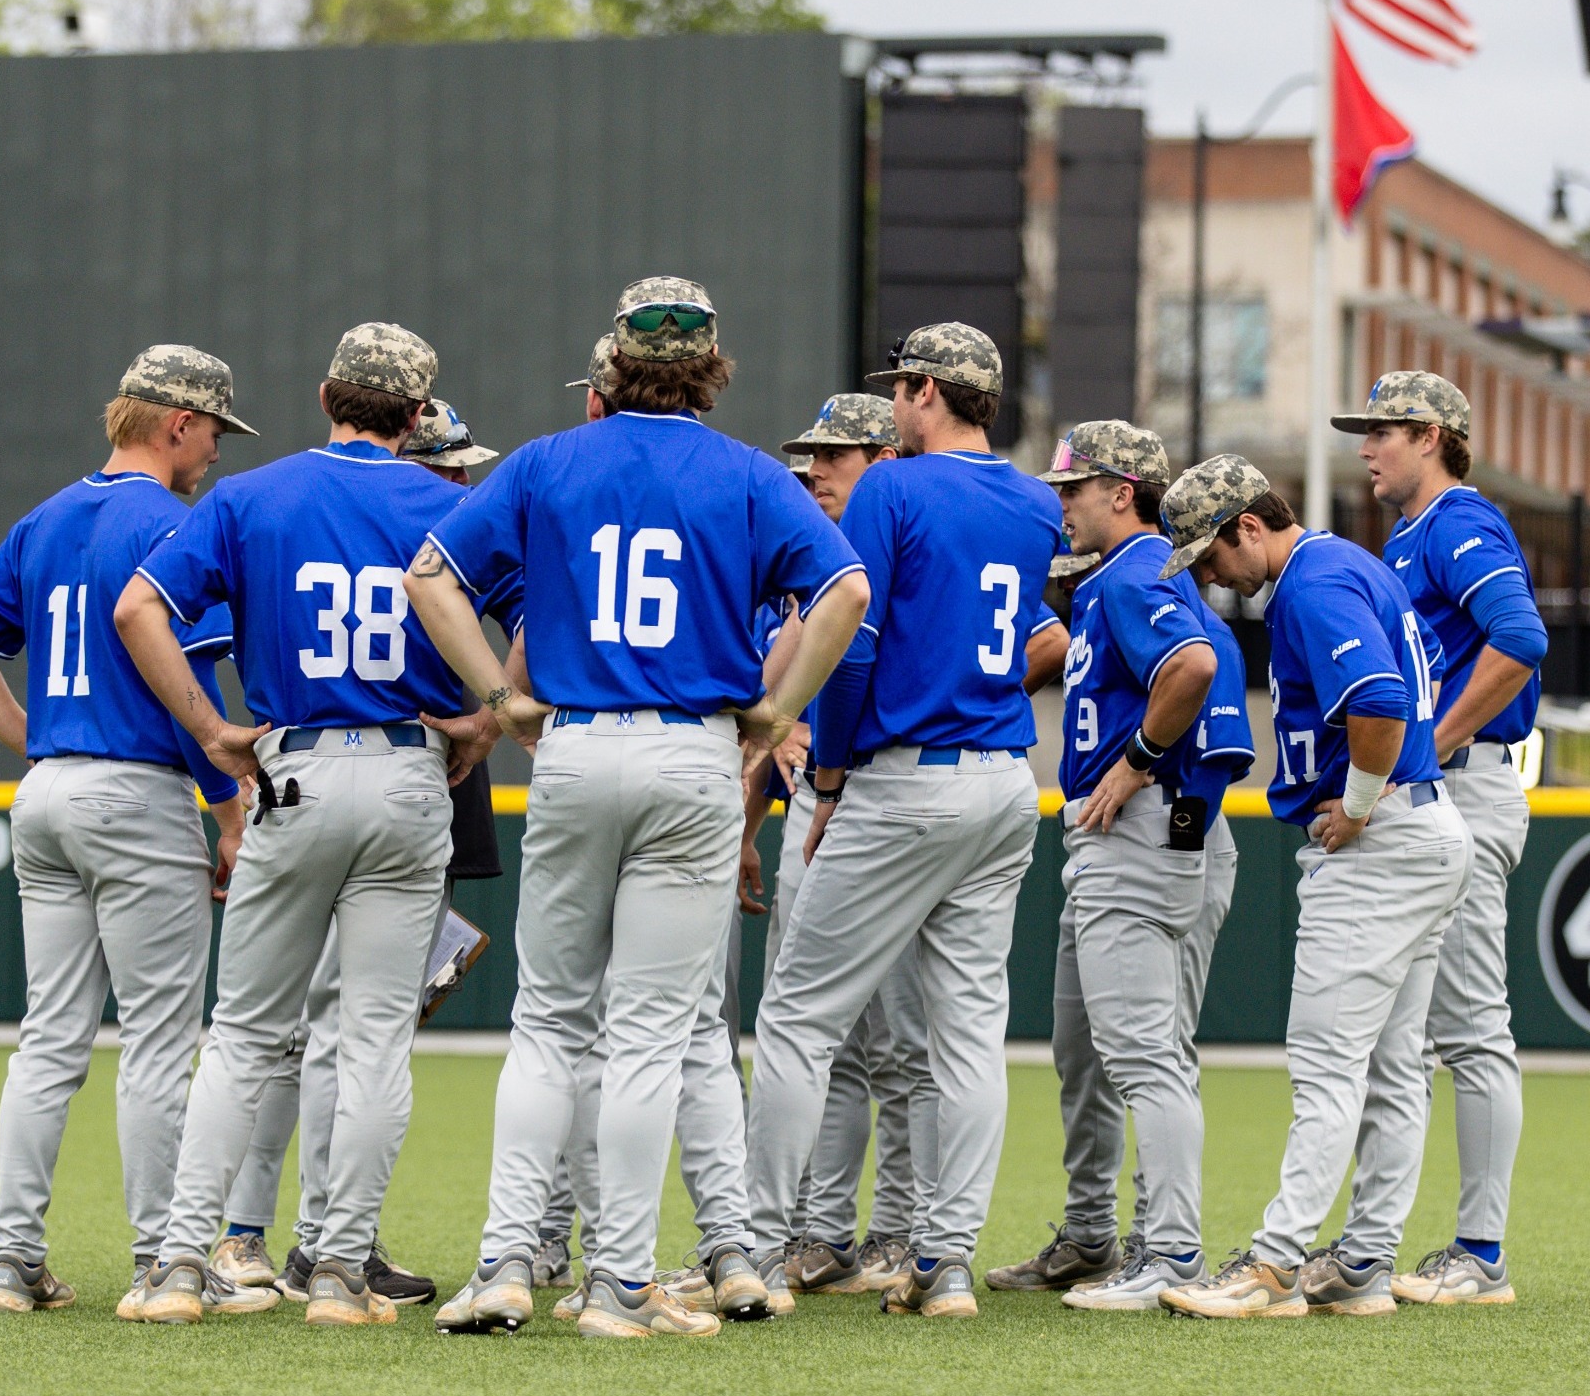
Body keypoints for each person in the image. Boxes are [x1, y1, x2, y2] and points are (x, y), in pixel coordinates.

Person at [410, 279, 868, 1339]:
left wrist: (497, 696)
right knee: (654, 1033)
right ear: (712, 365)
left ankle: (506, 1264)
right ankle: (620, 1280)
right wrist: (775, 713)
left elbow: (431, 577)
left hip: (574, 742)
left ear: (611, 363)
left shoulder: (545, 461)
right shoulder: (751, 473)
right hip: (696, 750)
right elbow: (844, 592)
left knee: (549, 1023)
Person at [114, 323, 488, 1327]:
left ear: (328, 393)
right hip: (412, 773)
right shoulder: (449, 501)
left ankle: (183, 1263)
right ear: (416, 415)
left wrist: (212, 730)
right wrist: (488, 714)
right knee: (371, 1043)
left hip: (295, 767)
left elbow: (138, 609)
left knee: (243, 1034)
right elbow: (549, 608)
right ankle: (337, 1269)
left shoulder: (250, 494)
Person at [0, 345, 272, 1318]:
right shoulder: (173, 520)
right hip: (136, 793)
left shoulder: (45, 518)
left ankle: (12, 1262)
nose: (212, 448)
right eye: (210, 428)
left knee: (47, 1041)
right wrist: (232, 812)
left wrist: (38, 745)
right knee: (161, 1042)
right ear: (173, 423)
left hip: (49, 795)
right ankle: (161, 1261)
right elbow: (192, 683)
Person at [743, 323, 1058, 1321]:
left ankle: (750, 1248)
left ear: (924, 391)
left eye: (905, 385)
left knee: (798, 1016)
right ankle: (948, 1262)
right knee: (967, 1036)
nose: (899, 400)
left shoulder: (892, 487)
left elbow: (857, 643)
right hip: (1005, 776)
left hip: (903, 778)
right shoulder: (1035, 499)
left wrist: (826, 777)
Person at [1154, 456, 1473, 1320]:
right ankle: (1365, 1260)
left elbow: (1378, 700)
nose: (1212, 577)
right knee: (1397, 1062)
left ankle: (1275, 1262)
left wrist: (1364, 802)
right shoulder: (1355, 563)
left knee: (1331, 1065)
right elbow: (1427, 669)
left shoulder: (1312, 583)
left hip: (1384, 839)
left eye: (1212, 556)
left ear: (1249, 526)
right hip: (1428, 823)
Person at [213, 398, 509, 1310]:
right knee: (318, 1032)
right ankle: (260, 1236)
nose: (461, 478)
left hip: (366, 784)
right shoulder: (419, 526)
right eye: (447, 460)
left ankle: (322, 1238)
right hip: (388, 779)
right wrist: (492, 714)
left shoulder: (375, 518)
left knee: (329, 1030)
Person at [986, 421, 1251, 1312]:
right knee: (1092, 1050)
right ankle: (1097, 1233)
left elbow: (1195, 664)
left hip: (1144, 830)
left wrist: (1136, 761)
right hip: (1150, 833)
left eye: (1076, 487)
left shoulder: (1139, 571)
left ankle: (1170, 1253)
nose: (1063, 502)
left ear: (1123, 492)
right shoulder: (1113, 582)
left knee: (1144, 1053)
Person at [1340, 371, 1544, 1306]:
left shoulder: (1458, 520)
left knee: (1468, 1024)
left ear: (1429, 434)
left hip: (1469, 784)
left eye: (1379, 430)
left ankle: (1483, 1253)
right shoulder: (1414, 532)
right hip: (1443, 791)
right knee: (1408, 1031)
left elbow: (1521, 636)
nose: (1366, 445)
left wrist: (1442, 739)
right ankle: (1393, 1242)